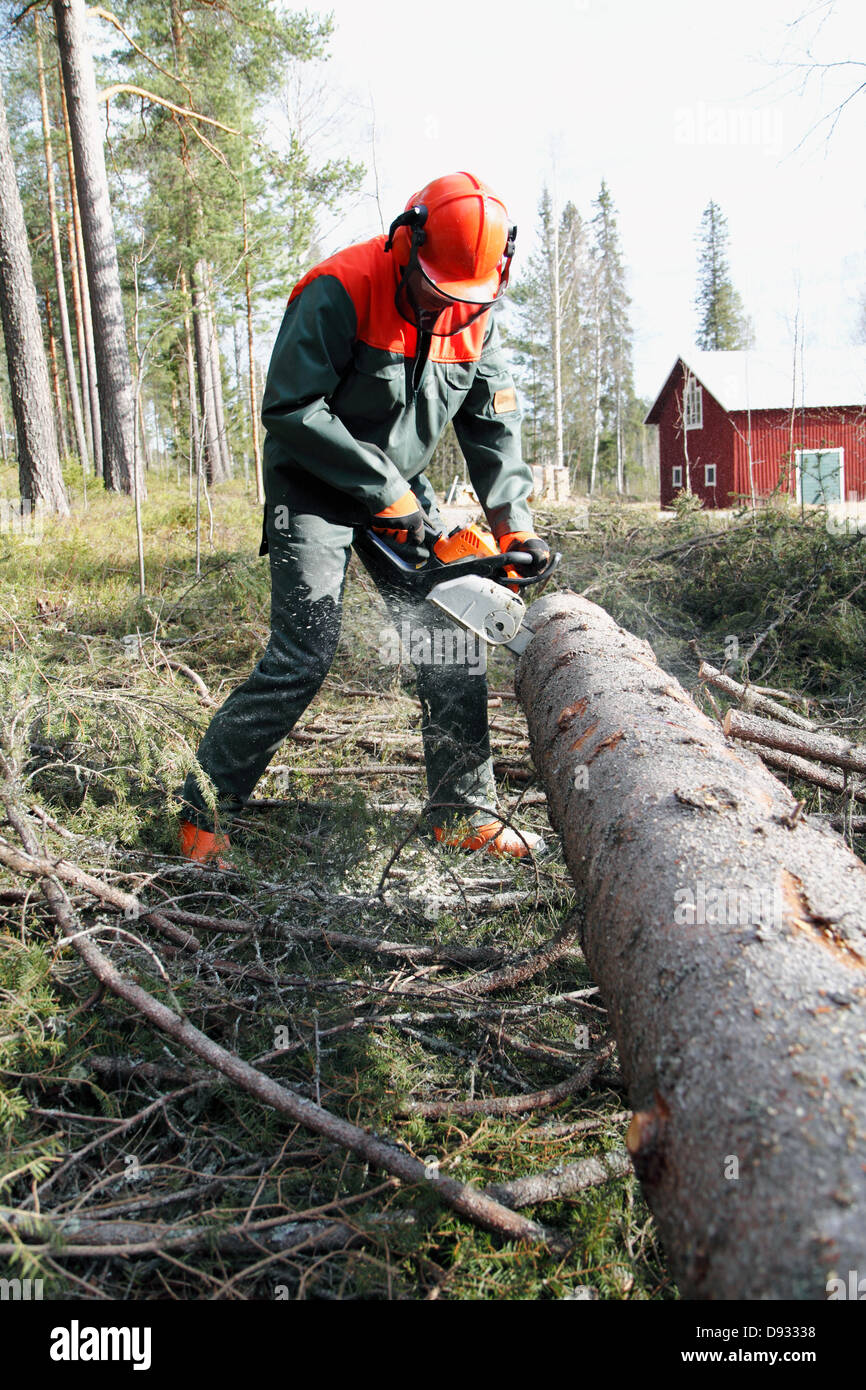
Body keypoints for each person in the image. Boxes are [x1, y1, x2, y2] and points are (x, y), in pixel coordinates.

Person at [178, 170, 550, 865]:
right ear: (406, 246)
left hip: (402, 491)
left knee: (451, 637)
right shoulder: (340, 289)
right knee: (304, 655)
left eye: (463, 298)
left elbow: (492, 426)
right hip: (313, 483)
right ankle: (201, 810)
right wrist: (385, 492)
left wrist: (513, 525)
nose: (448, 308)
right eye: (436, 291)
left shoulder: (476, 310)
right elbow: (290, 409)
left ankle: (460, 813)